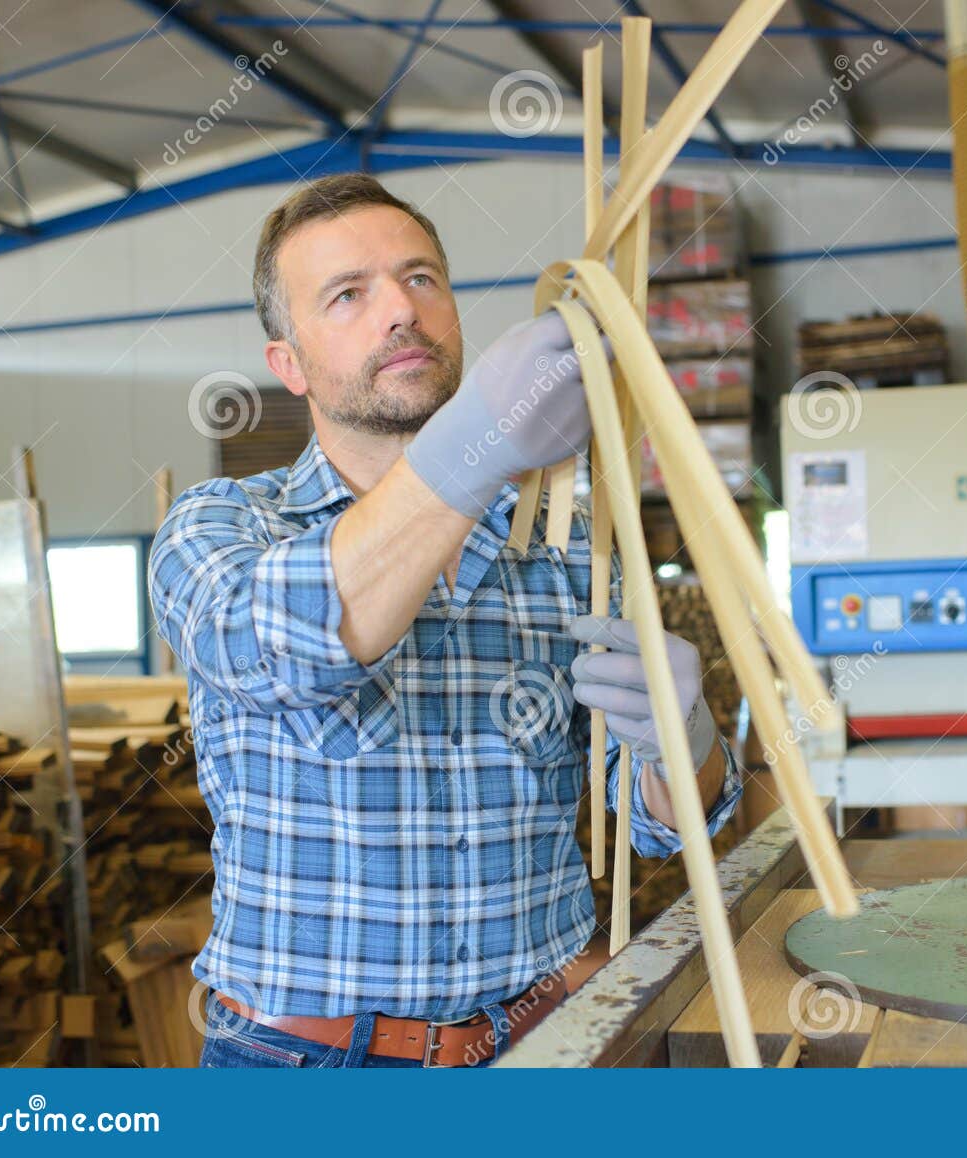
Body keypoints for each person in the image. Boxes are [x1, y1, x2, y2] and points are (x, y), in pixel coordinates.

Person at [148, 173, 740, 1068]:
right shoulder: (221, 527)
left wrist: (681, 741)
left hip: (544, 1041)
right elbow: (277, 647)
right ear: (290, 364)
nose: (400, 310)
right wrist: (471, 448)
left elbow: (659, 826)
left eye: (421, 278)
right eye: (349, 294)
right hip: (304, 1068)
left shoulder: (571, 545)